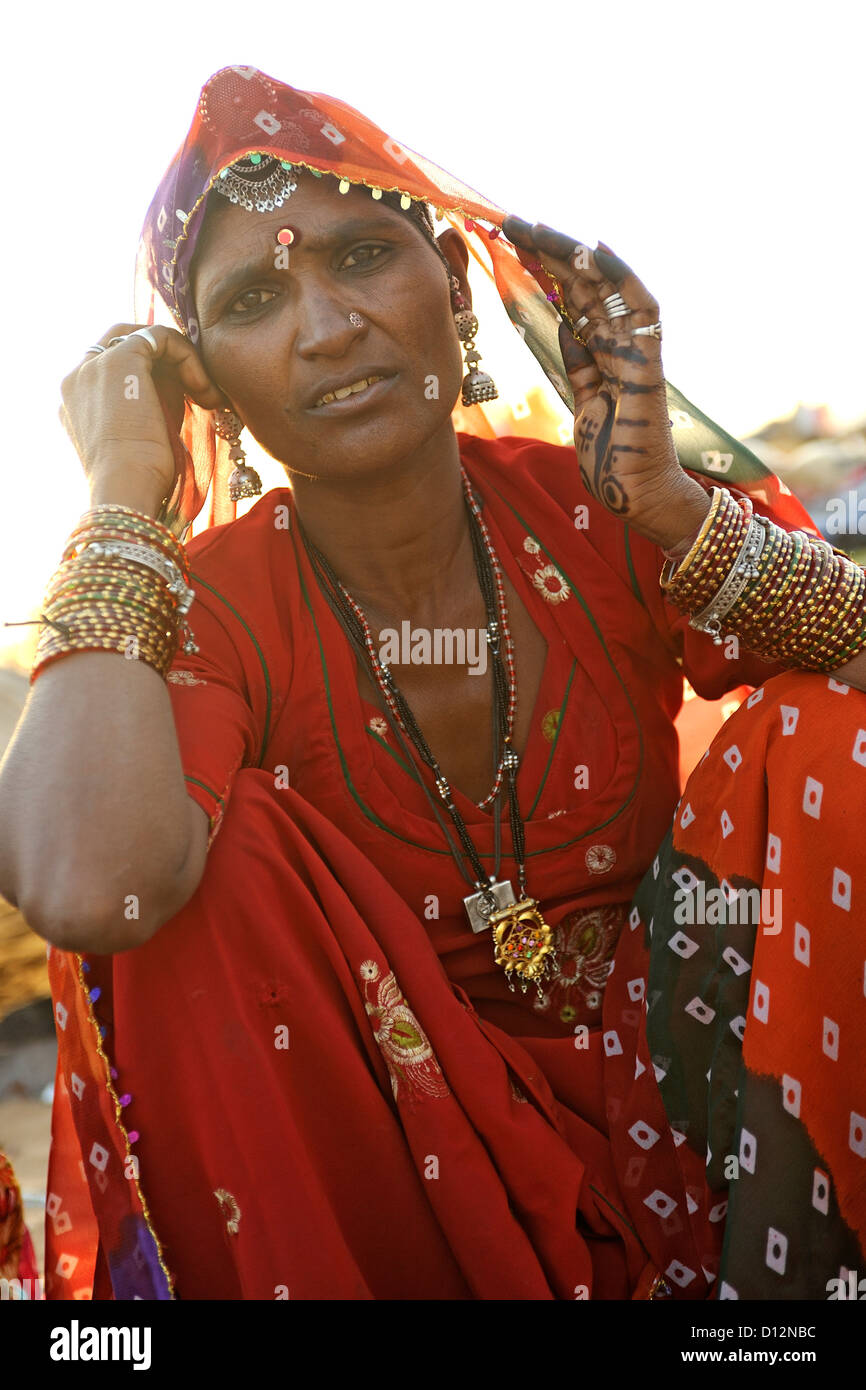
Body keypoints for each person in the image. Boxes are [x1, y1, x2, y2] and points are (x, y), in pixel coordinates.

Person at [1, 64, 864, 1301]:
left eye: (359, 256)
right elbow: (91, 883)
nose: (324, 325)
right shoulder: (222, 604)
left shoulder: (594, 507)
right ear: (210, 382)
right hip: (414, 1163)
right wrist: (123, 484)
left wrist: (668, 504)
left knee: (824, 733)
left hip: (703, 1105)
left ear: (453, 289)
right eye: (254, 295)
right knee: (209, 863)